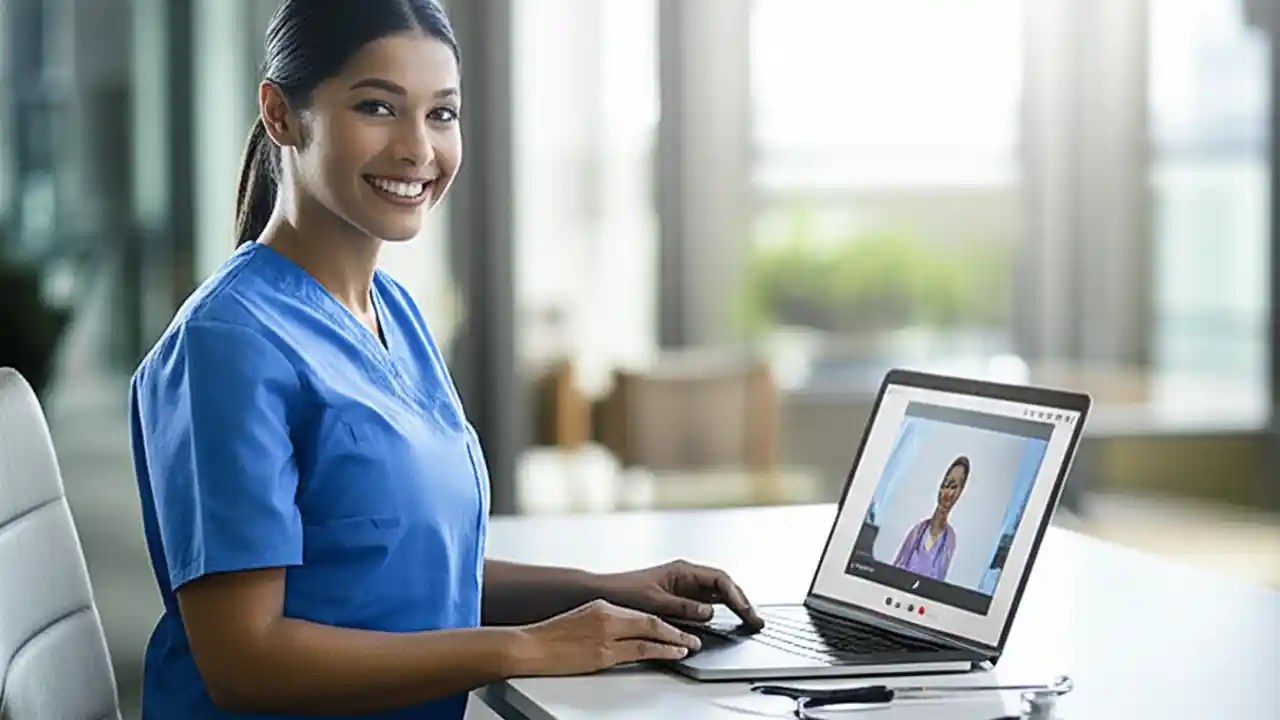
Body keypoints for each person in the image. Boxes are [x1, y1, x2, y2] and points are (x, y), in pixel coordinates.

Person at [127, 2, 762, 718]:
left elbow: (406, 576)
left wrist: (603, 589)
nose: (417, 149)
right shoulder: (228, 346)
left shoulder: (391, 311)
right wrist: (524, 647)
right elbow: (247, 661)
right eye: (377, 107)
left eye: (442, 114)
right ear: (281, 115)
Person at [891, 456, 970, 582]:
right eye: (945, 484)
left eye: (954, 487)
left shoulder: (949, 539)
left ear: (960, 492)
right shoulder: (917, 531)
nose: (947, 492)